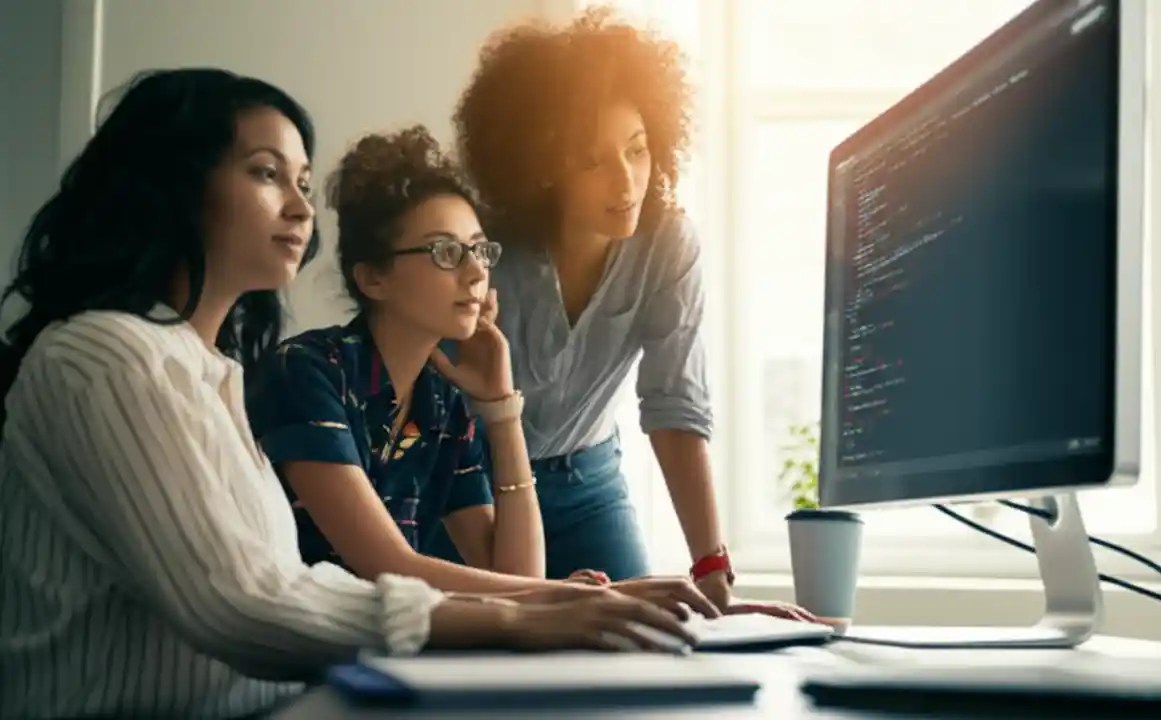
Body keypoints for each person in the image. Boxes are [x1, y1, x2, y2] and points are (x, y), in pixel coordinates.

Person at [0, 69, 697, 720]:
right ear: (175, 187)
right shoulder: (108, 356)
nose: (301, 206)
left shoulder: (214, 373)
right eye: (266, 173)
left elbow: (494, 570)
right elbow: (241, 602)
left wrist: (502, 411)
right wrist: (531, 613)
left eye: (304, 182)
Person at [246, 124, 717, 614]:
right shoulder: (307, 372)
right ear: (373, 278)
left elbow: (517, 575)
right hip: (291, 643)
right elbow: (386, 565)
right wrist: (577, 594)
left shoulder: (440, 405)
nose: (475, 272)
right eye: (446, 252)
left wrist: (502, 409)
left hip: (383, 640)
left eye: (479, 250)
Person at [452, 8, 815, 619]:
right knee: (497, 642)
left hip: (590, 485)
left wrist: (712, 568)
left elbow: (674, 404)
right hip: (475, 488)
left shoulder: (668, 245)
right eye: (591, 161)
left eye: (638, 150)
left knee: (652, 633)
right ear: (541, 167)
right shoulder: (484, 249)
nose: (626, 183)